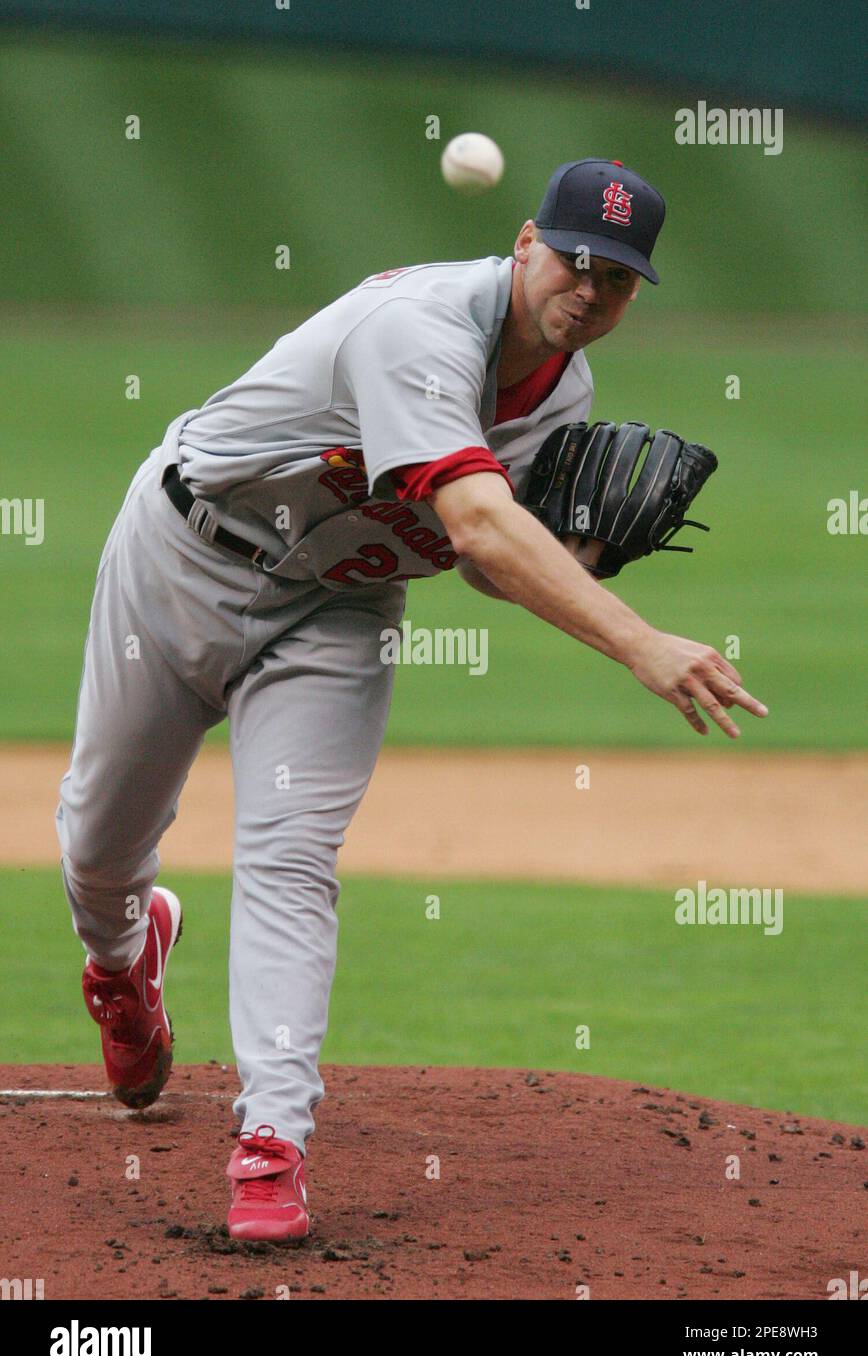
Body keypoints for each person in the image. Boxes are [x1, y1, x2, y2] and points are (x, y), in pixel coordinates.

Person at [57, 158, 767, 1242]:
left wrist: (572, 555)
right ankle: (124, 959)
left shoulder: (565, 392)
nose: (589, 290)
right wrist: (640, 643)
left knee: (291, 855)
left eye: (618, 279)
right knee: (99, 846)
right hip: (181, 559)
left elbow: (477, 563)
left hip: (336, 610)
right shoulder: (419, 326)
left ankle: (272, 1142)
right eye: (575, 261)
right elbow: (477, 522)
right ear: (525, 243)